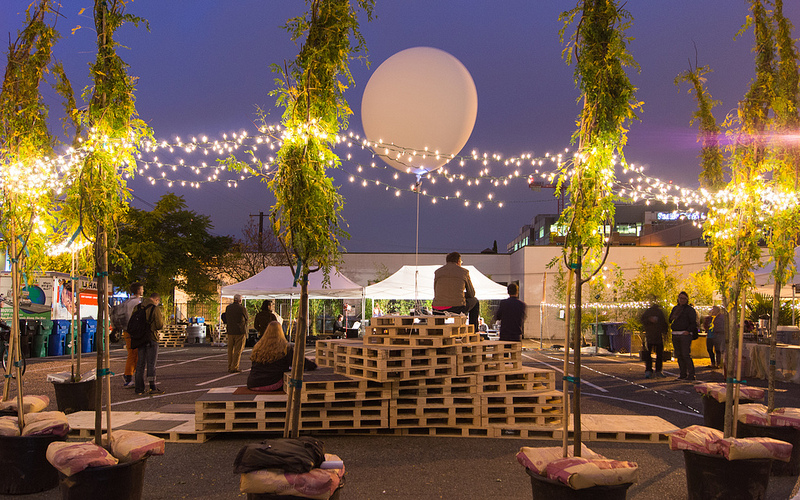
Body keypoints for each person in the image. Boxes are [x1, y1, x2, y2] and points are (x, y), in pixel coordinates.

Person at [247, 321, 317, 391]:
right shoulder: (284, 347)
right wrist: (312, 365)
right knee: (294, 377)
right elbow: (298, 362)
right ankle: (298, 392)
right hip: (273, 383)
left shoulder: (258, 347)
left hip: (253, 383)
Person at [432, 252, 479, 329]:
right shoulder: (464, 272)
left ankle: (438, 331)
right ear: (458, 261)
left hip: (437, 308)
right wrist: (462, 294)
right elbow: (472, 294)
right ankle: (474, 330)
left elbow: (436, 292)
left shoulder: (438, 272)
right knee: (475, 301)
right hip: (456, 308)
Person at [133, 292, 165, 396]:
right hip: (151, 337)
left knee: (140, 363)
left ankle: (139, 388)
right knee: (151, 363)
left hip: (140, 338)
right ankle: (152, 386)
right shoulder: (154, 309)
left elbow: (133, 322)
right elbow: (160, 324)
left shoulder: (137, 308)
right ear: (156, 300)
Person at [669, 291, 698, 381]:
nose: (681, 300)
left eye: (684, 298)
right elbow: (670, 319)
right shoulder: (675, 308)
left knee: (685, 354)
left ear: (687, 299)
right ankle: (683, 373)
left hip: (685, 334)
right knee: (679, 355)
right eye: (680, 298)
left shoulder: (690, 310)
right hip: (676, 333)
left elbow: (694, 323)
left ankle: (691, 374)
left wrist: (688, 331)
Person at [120, 282, 143, 388]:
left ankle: (129, 375)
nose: (143, 291)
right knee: (133, 354)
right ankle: (128, 376)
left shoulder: (126, 302)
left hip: (127, 330)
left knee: (133, 354)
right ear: (138, 291)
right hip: (134, 331)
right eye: (142, 289)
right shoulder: (138, 302)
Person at [640, 296, 668, 379]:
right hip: (653, 335)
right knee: (656, 354)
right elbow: (664, 323)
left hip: (654, 335)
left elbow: (664, 323)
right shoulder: (655, 312)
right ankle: (654, 370)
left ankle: (651, 370)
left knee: (653, 354)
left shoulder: (653, 312)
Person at [225, 294, 249, 373]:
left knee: (230, 349)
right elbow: (247, 318)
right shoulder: (242, 309)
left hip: (230, 331)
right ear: (240, 300)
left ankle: (230, 365)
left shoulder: (228, 308)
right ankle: (234, 366)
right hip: (240, 331)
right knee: (238, 350)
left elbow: (225, 318)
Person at [706, 305, 726, 369]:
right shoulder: (710, 318)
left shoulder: (721, 317)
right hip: (709, 335)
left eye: (714, 309)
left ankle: (718, 363)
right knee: (709, 349)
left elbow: (722, 326)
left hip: (717, 335)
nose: (712, 311)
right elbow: (706, 325)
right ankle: (713, 362)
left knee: (717, 350)